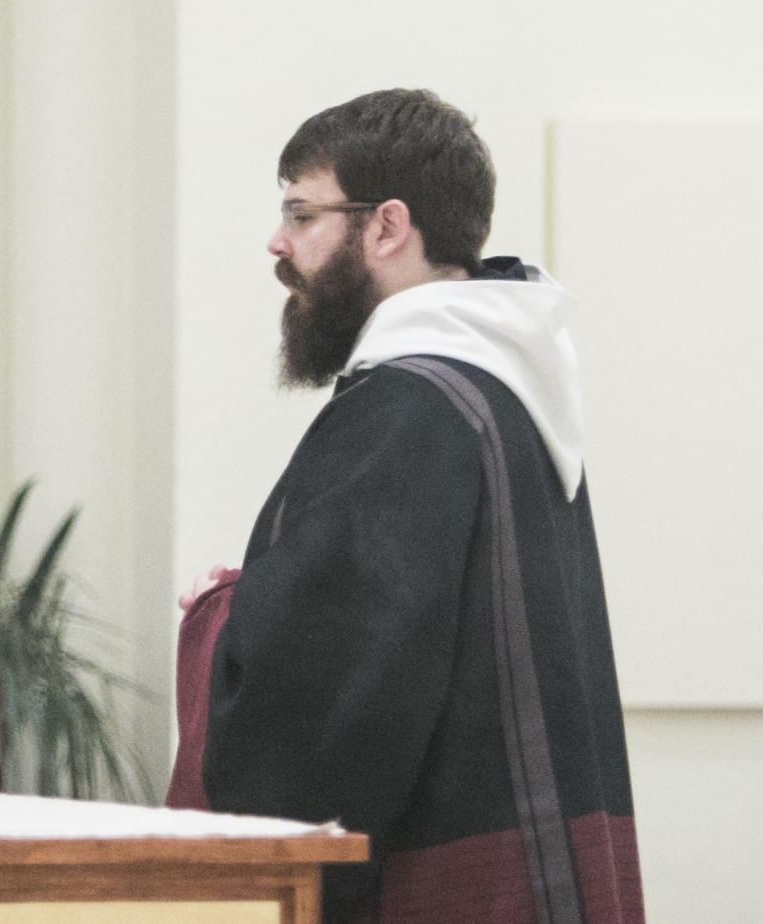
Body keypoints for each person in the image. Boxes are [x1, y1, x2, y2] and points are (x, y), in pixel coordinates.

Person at [172, 88, 642, 924]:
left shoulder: (403, 412)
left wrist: (222, 619)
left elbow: (319, 721)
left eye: (301, 212)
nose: (278, 244)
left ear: (386, 227)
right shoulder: (503, 387)